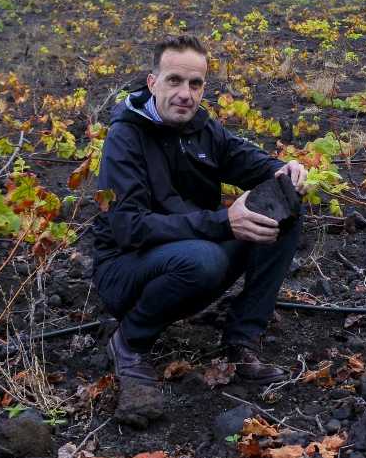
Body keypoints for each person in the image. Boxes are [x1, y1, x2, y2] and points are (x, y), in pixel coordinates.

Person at [92, 35, 307, 386]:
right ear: (153, 83)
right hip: (126, 269)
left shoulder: (202, 129)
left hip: (191, 250)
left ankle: (241, 340)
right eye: (174, 80)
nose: (185, 94)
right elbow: (129, 228)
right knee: (204, 261)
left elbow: (249, 161)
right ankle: (129, 341)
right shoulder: (125, 139)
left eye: (195, 84)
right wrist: (224, 222)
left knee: (284, 208)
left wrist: (285, 170)